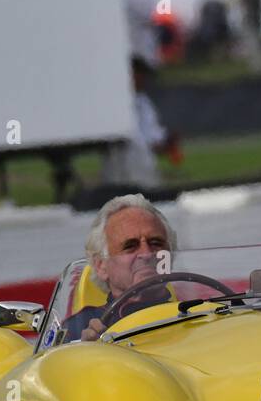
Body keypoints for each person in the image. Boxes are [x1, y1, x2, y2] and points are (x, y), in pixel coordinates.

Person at [64, 194, 176, 342]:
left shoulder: (201, 315)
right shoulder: (77, 330)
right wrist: (86, 353)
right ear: (101, 266)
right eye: (130, 246)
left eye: (156, 243)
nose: (147, 254)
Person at [103, 57, 179, 188]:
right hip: (122, 170)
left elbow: (153, 139)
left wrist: (168, 142)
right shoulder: (114, 101)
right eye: (141, 74)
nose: (144, 79)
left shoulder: (144, 102)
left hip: (144, 168)